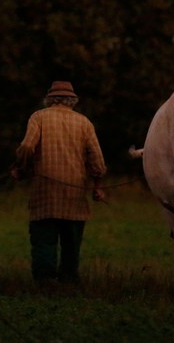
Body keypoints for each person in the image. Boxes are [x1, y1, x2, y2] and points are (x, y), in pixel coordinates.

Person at [12, 80, 107, 285]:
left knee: (44, 240)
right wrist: (97, 186)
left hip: (44, 192)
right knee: (71, 242)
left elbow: (27, 147)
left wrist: (21, 168)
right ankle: (69, 278)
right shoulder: (84, 122)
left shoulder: (39, 117)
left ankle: (46, 280)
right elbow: (97, 161)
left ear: (49, 99)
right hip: (75, 195)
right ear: (72, 100)